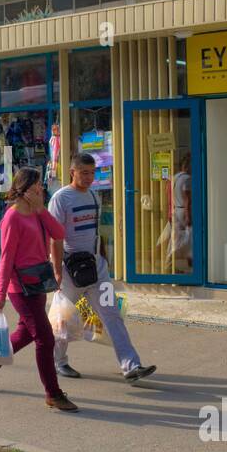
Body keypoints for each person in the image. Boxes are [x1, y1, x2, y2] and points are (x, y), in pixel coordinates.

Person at [48, 153, 156, 384]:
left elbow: (96, 233)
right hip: (69, 269)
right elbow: (55, 238)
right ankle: (59, 362)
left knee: (111, 313)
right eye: (84, 172)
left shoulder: (94, 196)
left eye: (92, 172)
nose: (89, 177)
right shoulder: (60, 198)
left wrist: (103, 260)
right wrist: (57, 271)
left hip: (96, 268)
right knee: (64, 318)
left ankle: (131, 365)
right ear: (72, 172)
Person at [0, 167, 77, 412]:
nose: (40, 189)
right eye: (36, 186)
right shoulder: (12, 217)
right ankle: (53, 393)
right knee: (44, 337)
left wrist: (42, 209)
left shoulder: (36, 213)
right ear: (23, 189)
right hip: (20, 287)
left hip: (39, 282)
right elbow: (6, 258)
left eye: (41, 185)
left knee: (27, 332)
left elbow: (59, 233)